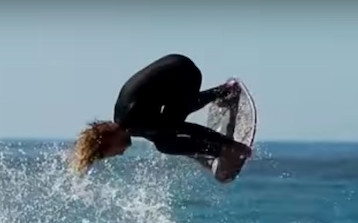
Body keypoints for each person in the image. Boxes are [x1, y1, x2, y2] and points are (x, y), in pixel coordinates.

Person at [70, 53, 252, 183]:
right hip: (179, 66)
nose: (120, 153)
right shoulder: (125, 120)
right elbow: (165, 133)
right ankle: (224, 94)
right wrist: (202, 158)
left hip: (183, 73)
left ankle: (224, 141)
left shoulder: (134, 121)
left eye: (114, 152)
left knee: (168, 134)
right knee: (165, 134)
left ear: (109, 140)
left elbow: (183, 129)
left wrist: (230, 146)